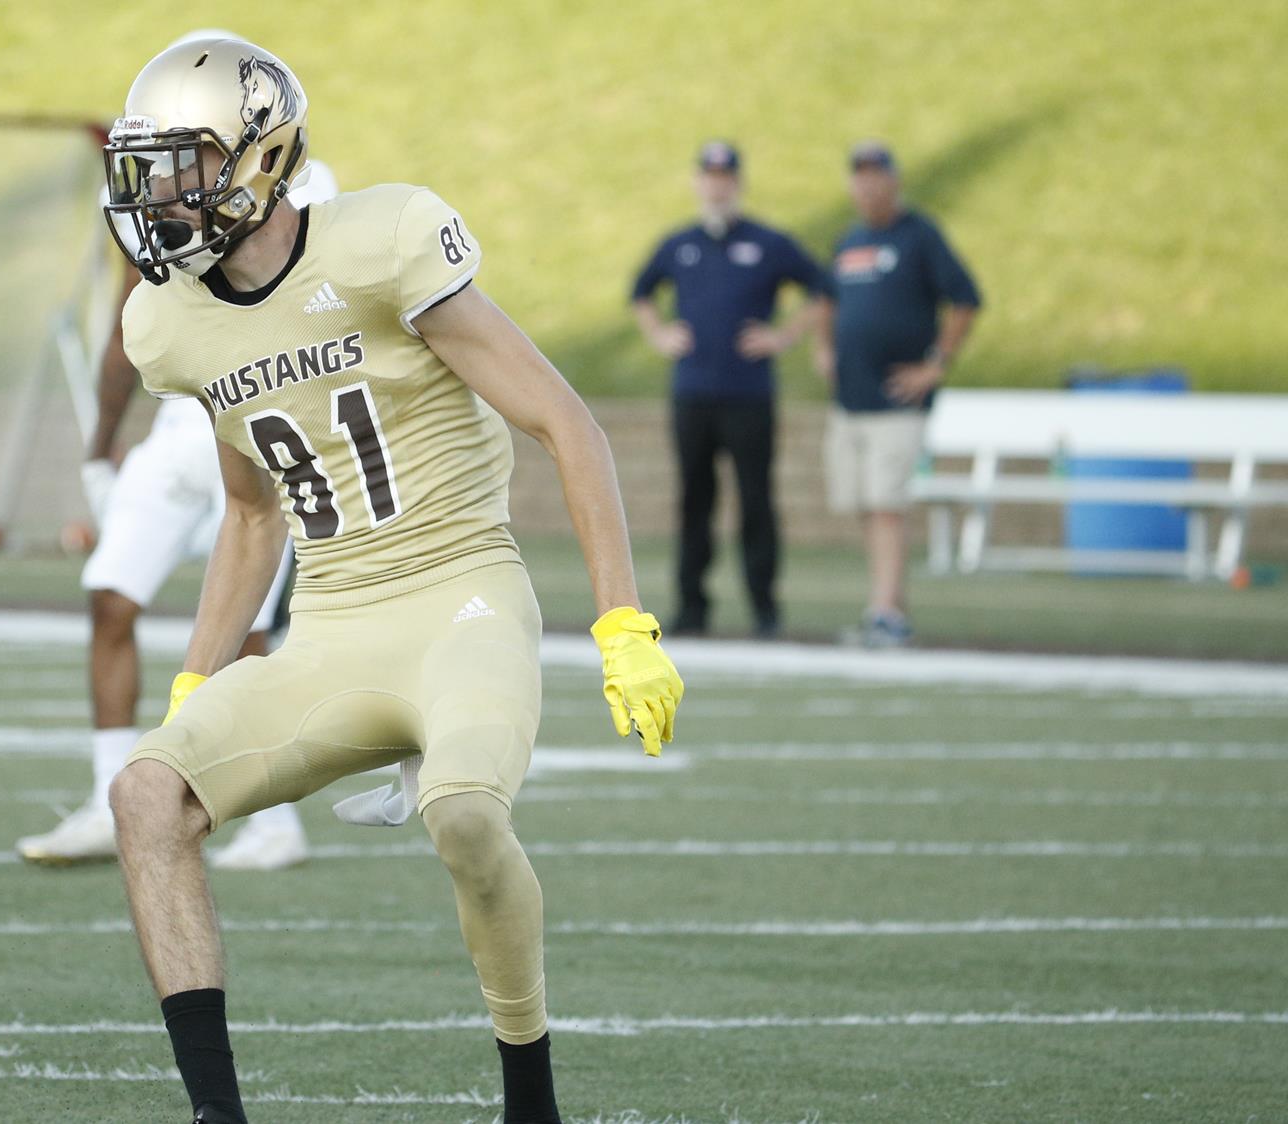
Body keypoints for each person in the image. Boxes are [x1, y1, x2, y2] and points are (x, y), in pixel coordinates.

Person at [98, 38, 684, 1124]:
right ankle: (214, 1115)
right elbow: (248, 509)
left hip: (460, 597)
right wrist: (195, 684)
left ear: (261, 157)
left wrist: (621, 623)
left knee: (463, 814)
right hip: (328, 628)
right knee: (146, 792)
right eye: (152, 167)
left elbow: (565, 421)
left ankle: (530, 1100)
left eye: (187, 163)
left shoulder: (385, 240)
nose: (163, 196)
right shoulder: (167, 321)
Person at [16, 33, 340, 874]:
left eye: (183, 150)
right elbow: (136, 323)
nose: (163, 179)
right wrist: (99, 448)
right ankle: (107, 795)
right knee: (109, 599)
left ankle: (272, 818)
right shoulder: (167, 204)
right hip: (179, 434)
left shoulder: (315, 204)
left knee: (248, 643)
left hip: (262, 434)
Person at [630, 140, 831, 637]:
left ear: (737, 183)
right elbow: (641, 292)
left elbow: (822, 287)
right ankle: (691, 606)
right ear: (699, 182)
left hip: (748, 394)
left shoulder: (766, 242)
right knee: (695, 500)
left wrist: (783, 336)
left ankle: (764, 607)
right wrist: (660, 333)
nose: (717, 185)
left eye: (726, 177)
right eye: (709, 176)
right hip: (694, 391)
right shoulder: (680, 244)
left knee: (756, 499)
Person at [813, 140, 982, 646]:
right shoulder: (850, 239)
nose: (867, 184)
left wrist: (936, 364)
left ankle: (884, 610)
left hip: (896, 401)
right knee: (867, 505)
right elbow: (826, 298)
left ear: (894, 180)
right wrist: (824, 348)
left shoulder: (919, 235)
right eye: (859, 175)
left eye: (875, 174)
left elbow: (965, 299)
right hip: (852, 399)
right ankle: (889, 606)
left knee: (887, 504)